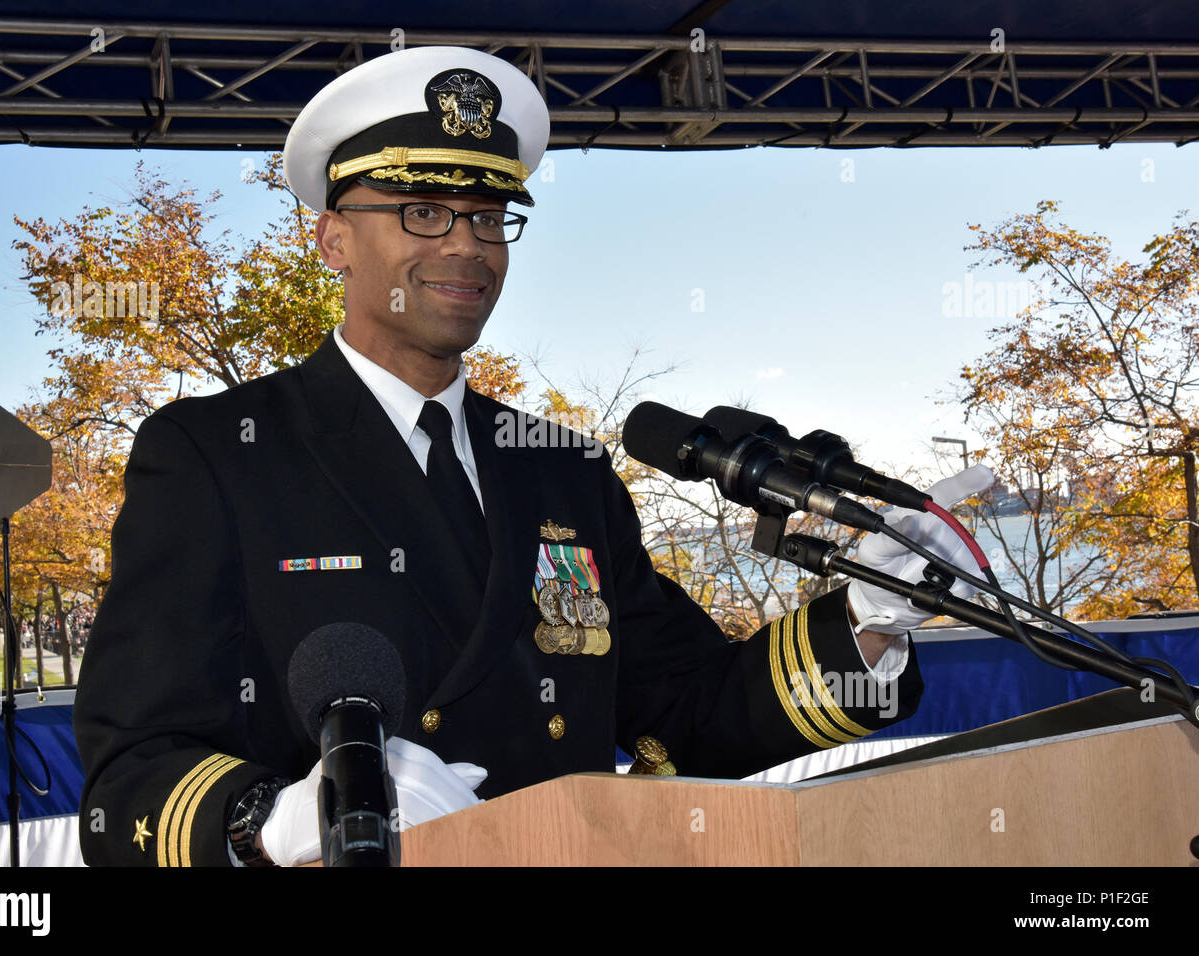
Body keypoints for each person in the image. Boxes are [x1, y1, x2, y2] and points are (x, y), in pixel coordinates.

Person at [73, 46, 989, 867]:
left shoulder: (562, 468)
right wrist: (269, 821)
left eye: (488, 216)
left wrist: (864, 620)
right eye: (424, 211)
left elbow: (690, 710)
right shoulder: (217, 455)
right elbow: (130, 776)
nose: (467, 247)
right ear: (334, 239)